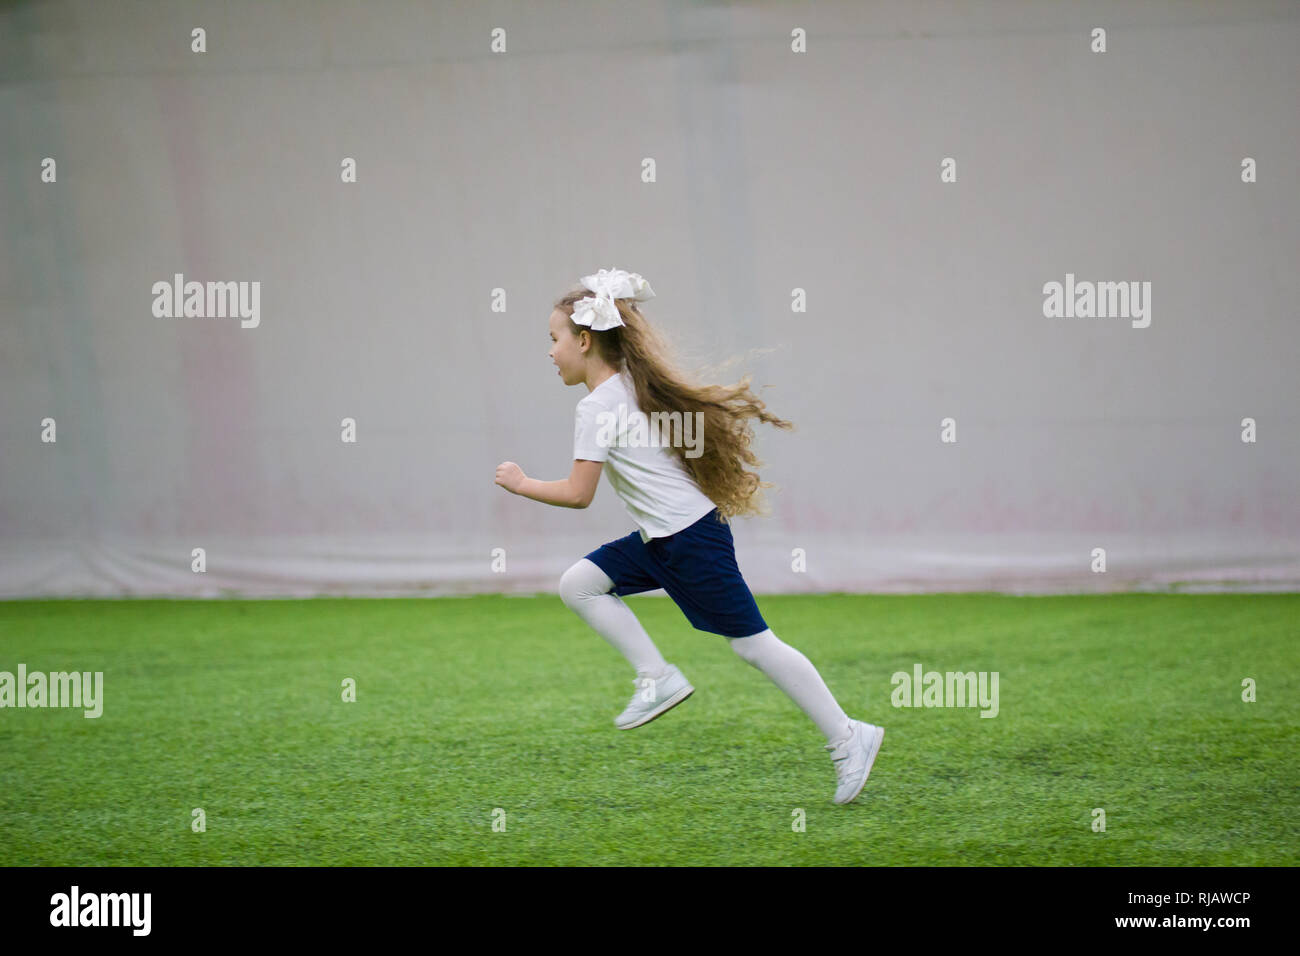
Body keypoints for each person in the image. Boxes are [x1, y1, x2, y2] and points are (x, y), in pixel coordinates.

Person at [494, 268, 883, 805]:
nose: (550, 352)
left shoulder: (597, 406)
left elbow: (579, 494)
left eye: (554, 339)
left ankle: (848, 736)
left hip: (689, 541)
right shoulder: (631, 385)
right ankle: (657, 676)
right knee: (579, 583)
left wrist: (520, 484)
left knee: (755, 646)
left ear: (584, 341)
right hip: (663, 539)